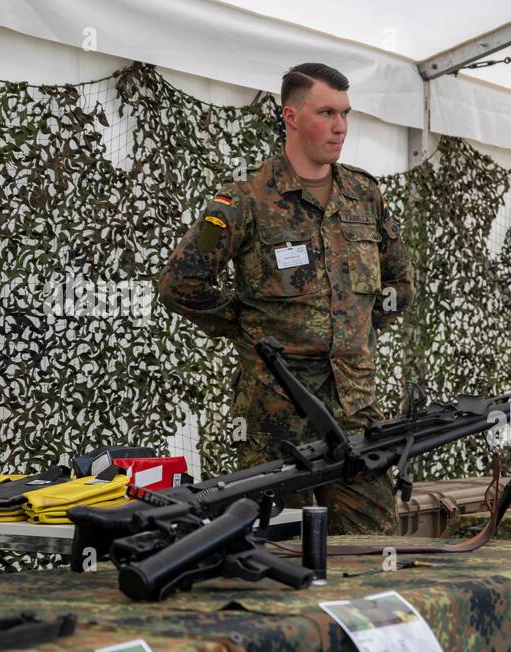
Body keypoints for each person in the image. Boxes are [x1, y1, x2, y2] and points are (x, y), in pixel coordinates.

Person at [157, 62, 414, 533]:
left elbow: (400, 284)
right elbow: (180, 284)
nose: (340, 127)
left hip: (354, 412)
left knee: (373, 547)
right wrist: (245, 323)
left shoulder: (364, 195)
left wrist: (355, 329)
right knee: (270, 549)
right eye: (326, 112)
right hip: (275, 418)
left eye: (345, 113)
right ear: (291, 117)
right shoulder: (247, 199)